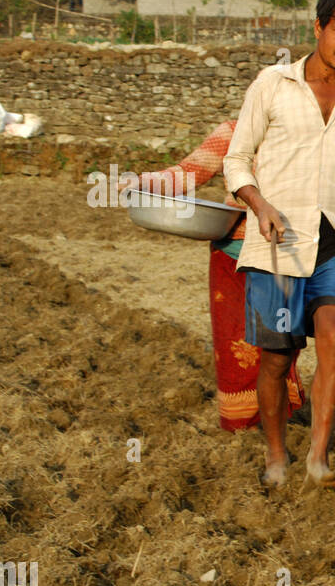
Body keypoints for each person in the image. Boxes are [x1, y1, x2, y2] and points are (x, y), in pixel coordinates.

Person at [223, 0, 335, 492]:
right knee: (277, 358)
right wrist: (259, 204)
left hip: (333, 243)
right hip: (277, 244)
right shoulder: (273, 84)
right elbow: (236, 158)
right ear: (317, 28)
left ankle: (317, 458)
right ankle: (275, 456)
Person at [130, 122, 308, 431]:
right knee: (236, 342)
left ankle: (280, 417)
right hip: (233, 253)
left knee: (280, 344)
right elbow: (188, 173)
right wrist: (143, 183)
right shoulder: (233, 131)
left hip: (284, 254)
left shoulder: (306, 135)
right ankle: (246, 423)